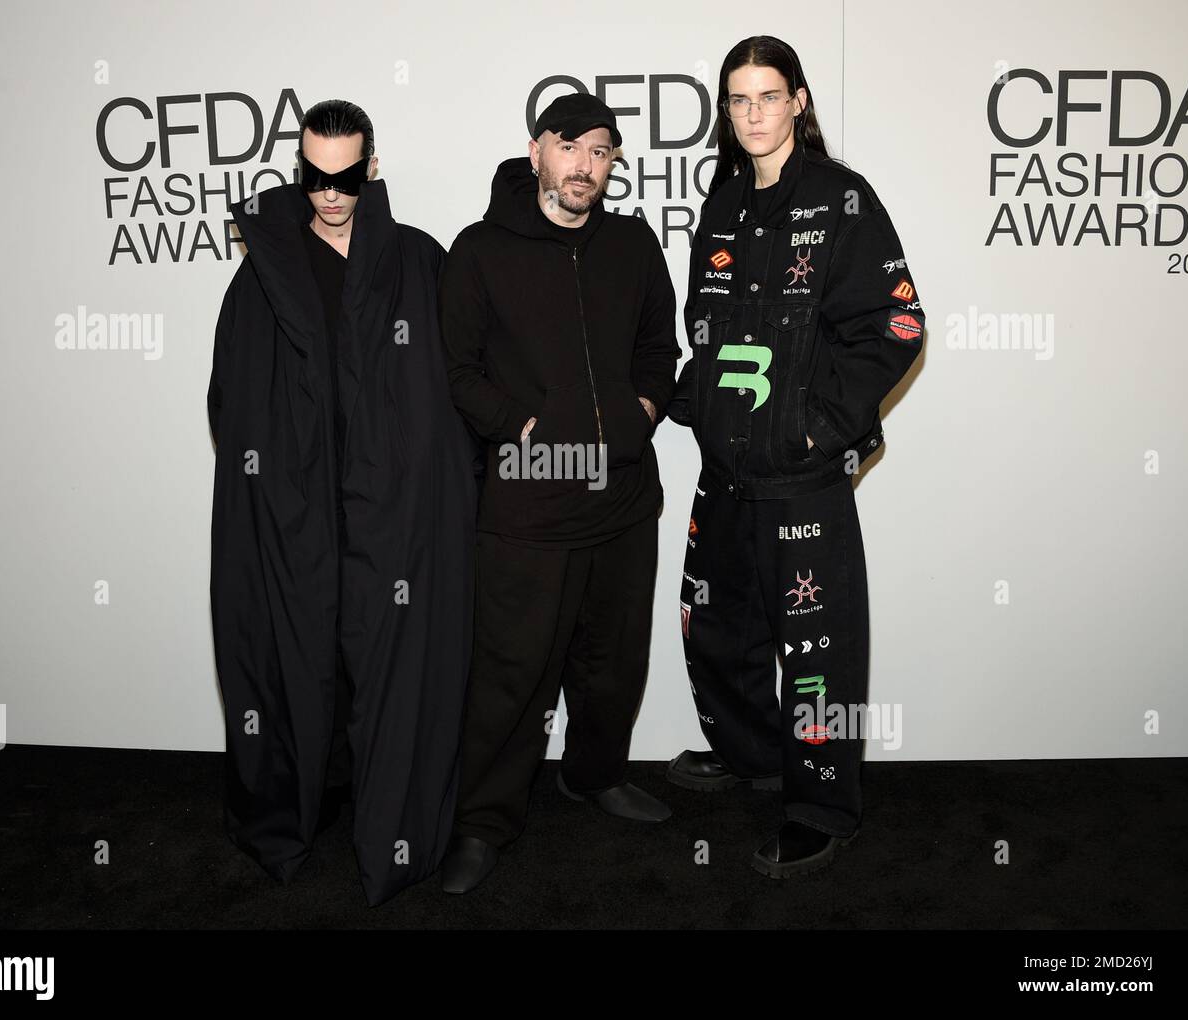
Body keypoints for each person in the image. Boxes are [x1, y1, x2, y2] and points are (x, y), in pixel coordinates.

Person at [207, 99, 478, 906]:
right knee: (300, 652)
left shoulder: (417, 262)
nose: (329, 194)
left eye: (346, 176)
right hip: (298, 508)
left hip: (391, 508)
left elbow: (448, 391)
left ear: (373, 167)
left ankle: (391, 823)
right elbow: (232, 399)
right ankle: (304, 803)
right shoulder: (262, 272)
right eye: (314, 176)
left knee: (393, 658)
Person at [665, 36, 925, 878]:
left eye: (767, 97)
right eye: (737, 99)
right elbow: (705, 328)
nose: (751, 115)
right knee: (717, 634)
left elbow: (896, 327)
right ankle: (756, 757)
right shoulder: (725, 196)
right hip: (727, 472)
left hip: (801, 479)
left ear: (799, 102)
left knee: (817, 657)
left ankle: (821, 804)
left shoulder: (842, 199)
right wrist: (689, 398)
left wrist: (817, 427)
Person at [437, 93, 681, 894]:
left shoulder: (634, 245)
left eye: (602, 151)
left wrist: (642, 410)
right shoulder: (478, 250)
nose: (585, 165)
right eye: (569, 146)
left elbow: (659, 349)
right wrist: (523, 429)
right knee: (511, 674)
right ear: (536, 151)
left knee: (614, 664)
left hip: (622, 500)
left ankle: (594, 773)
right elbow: (458, 371)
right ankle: (482, 824)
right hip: (528, 509)